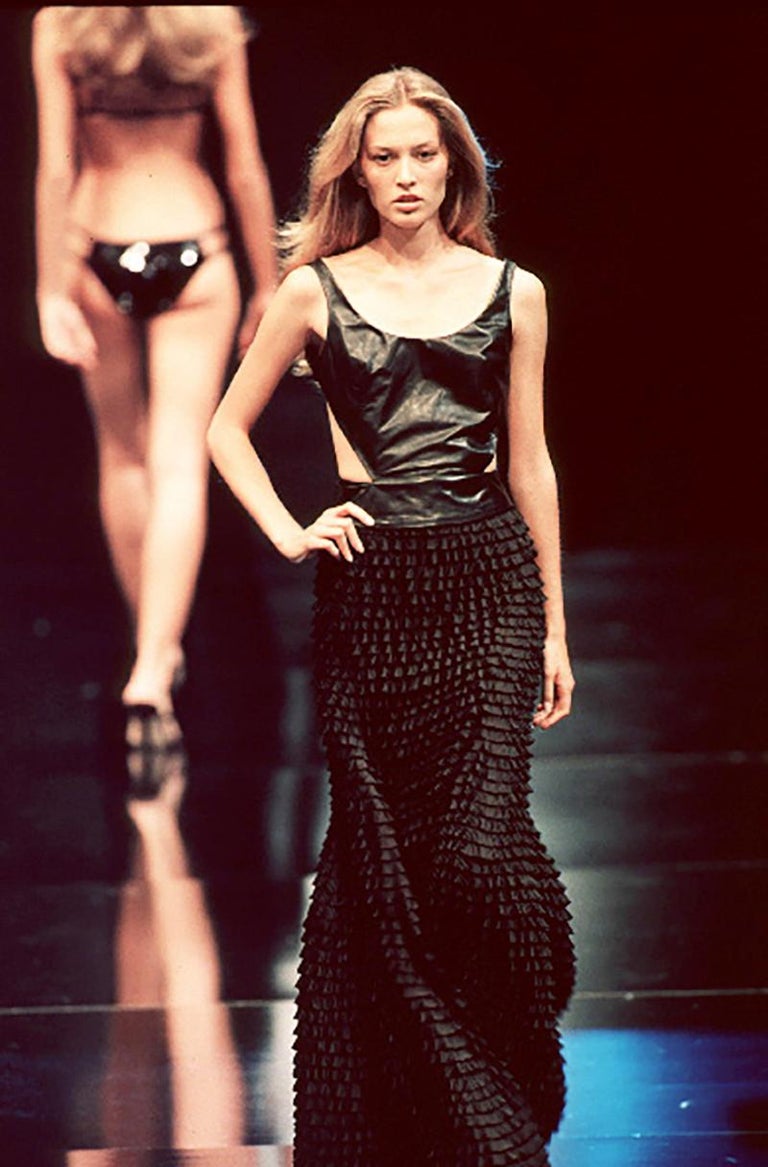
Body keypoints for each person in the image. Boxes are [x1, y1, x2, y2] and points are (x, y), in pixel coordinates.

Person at [207, 65, 576, 1166]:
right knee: (386, 857)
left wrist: (556, 626)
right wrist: (290, 529)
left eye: (424, 154)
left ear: (454, 165)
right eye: (385, 157)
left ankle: (507, 1054)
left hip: (488, 576)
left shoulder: (515, 290)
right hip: (374, 592)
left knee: (476, 851)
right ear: (356, 174)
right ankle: (433, 1105)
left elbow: (531, 461)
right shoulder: (313, 292)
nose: (406, 175)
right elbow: (225, 428)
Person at [31, 5, 279, 785]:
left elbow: (56, 166)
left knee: (124, 460)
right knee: (180, 466)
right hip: (194, 243)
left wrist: (49, 288)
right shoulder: (211, 22)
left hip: (95, 244)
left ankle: (154, 650)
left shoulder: (62, 24)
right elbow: (244, 162)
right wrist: (269, 283)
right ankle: (153, 662)